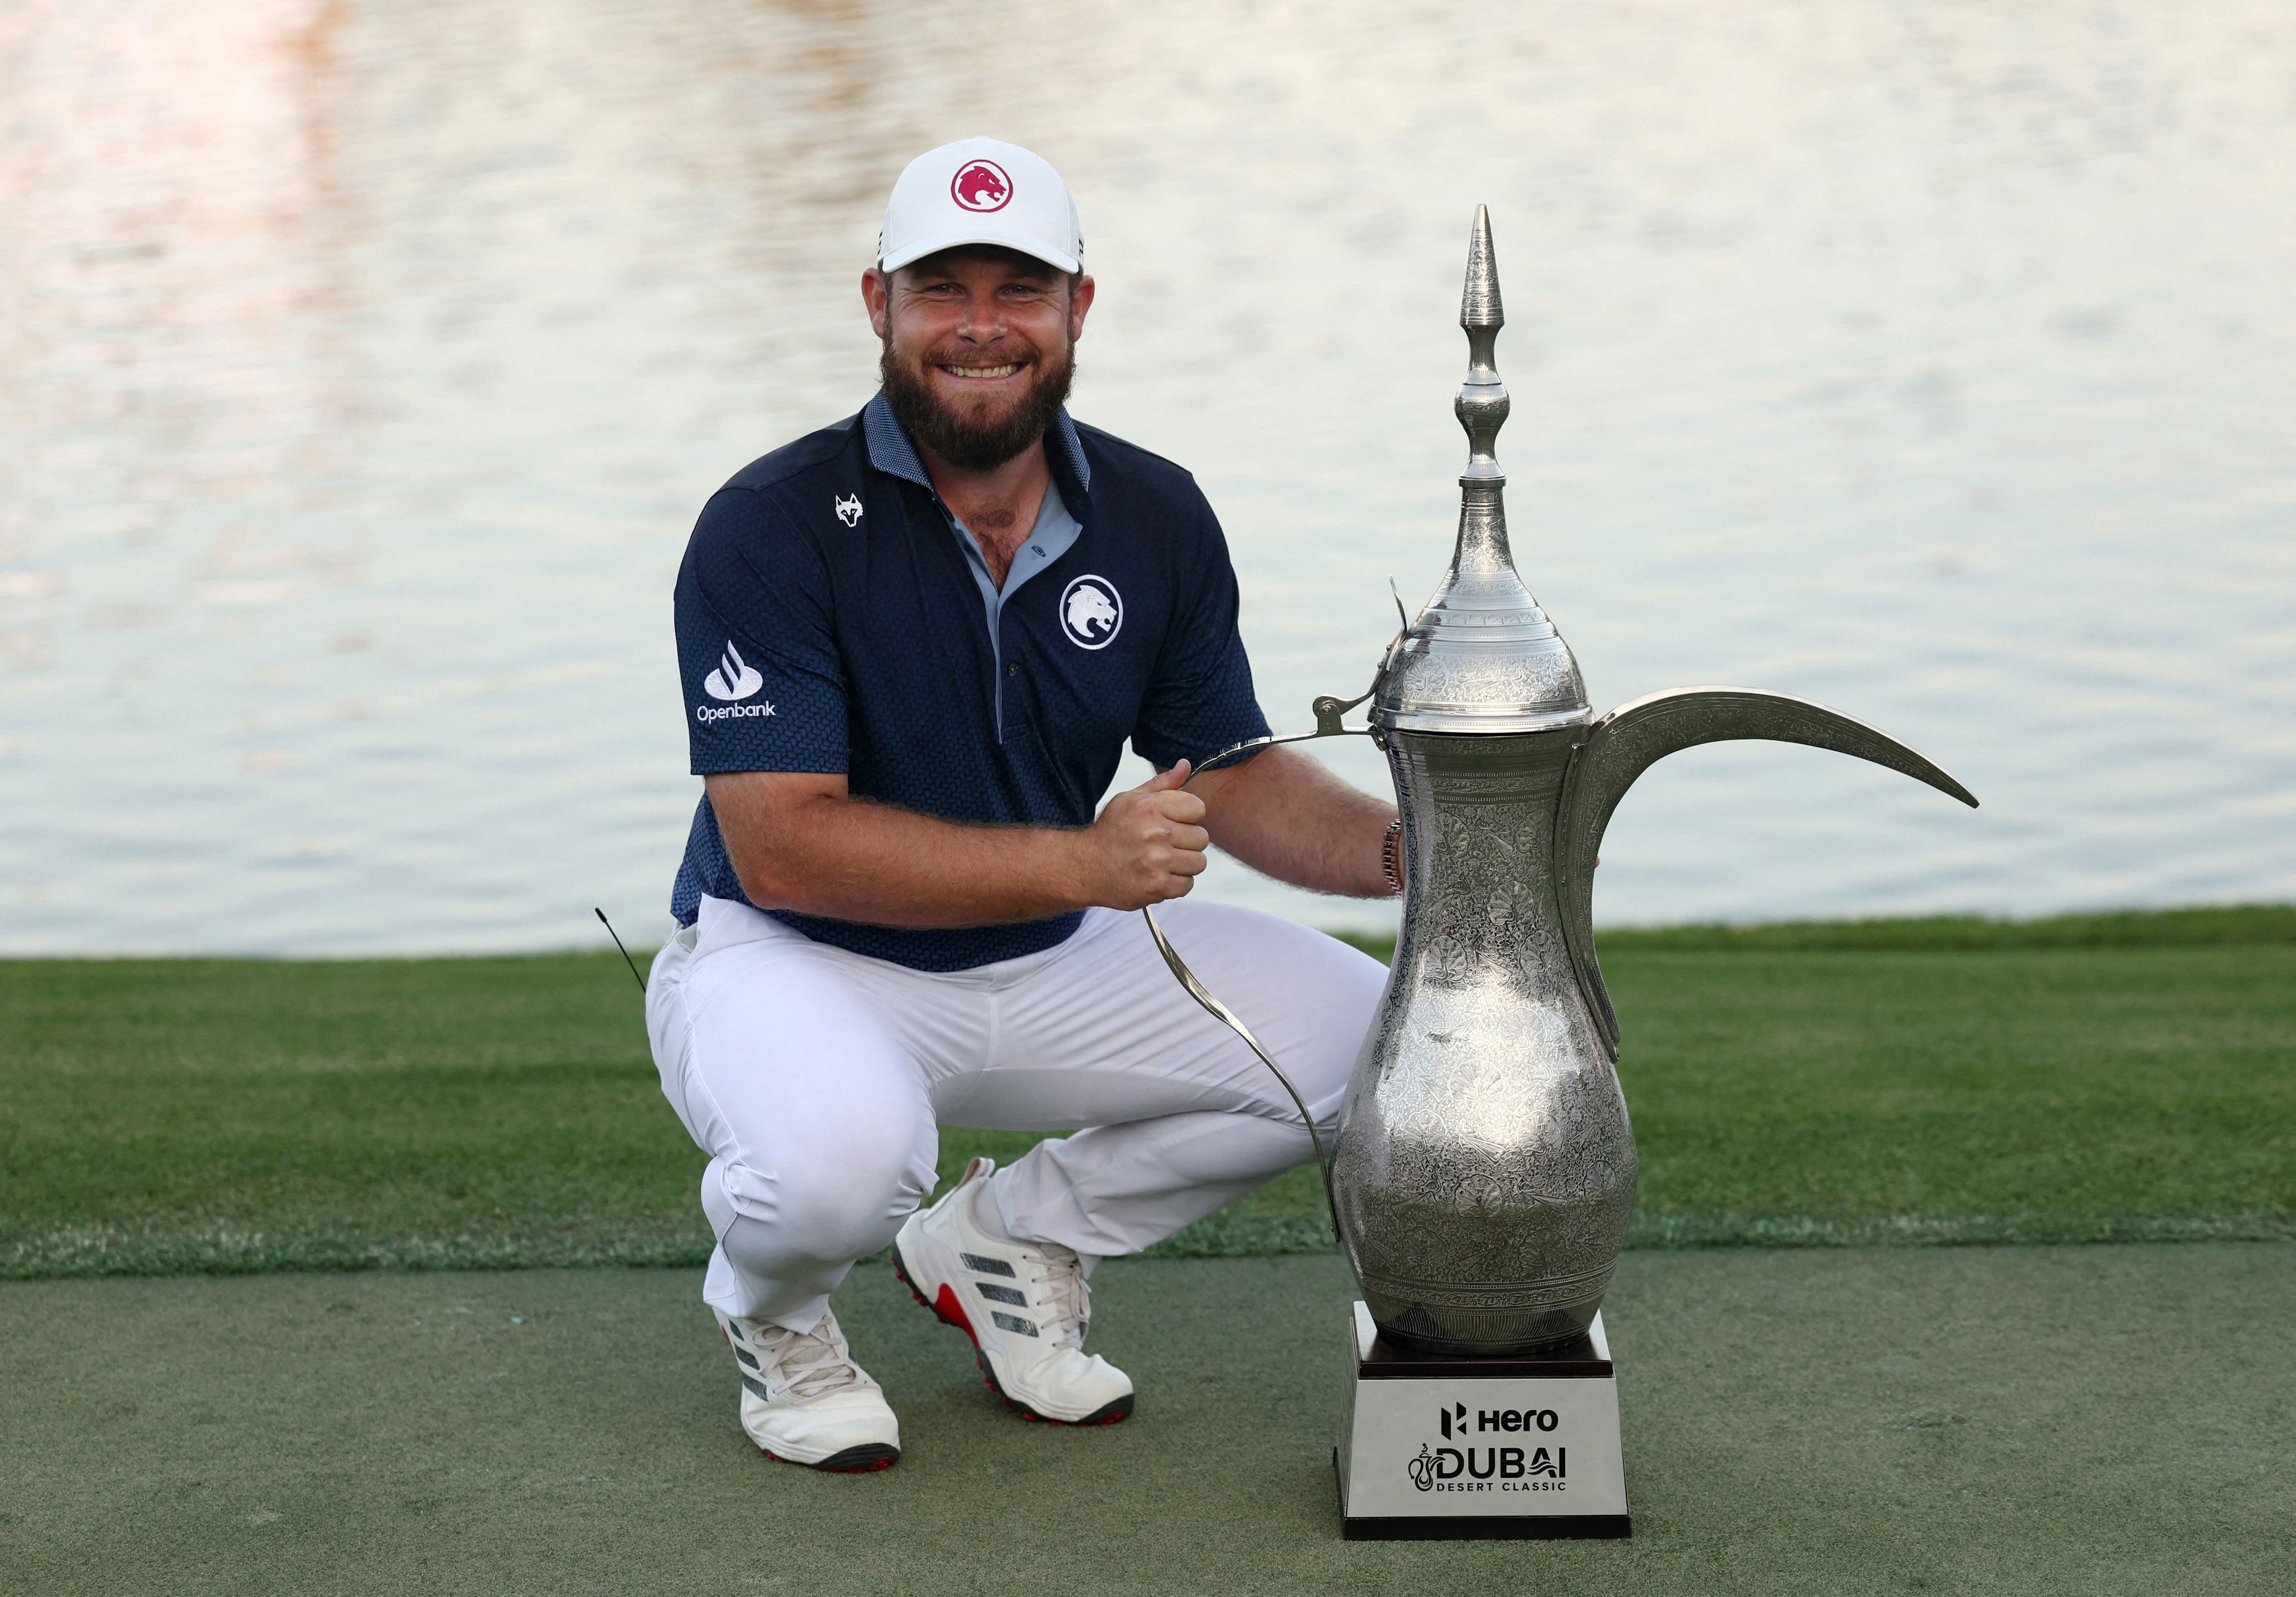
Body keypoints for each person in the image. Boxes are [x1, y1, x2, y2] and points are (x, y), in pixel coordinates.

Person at [644, 137, 1400, 1474]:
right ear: (878, 304)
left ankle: (1009, 1235)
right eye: (942, 288)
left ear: (1076, 312)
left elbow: (1229, 770)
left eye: (1020, 289)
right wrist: (1087, 862)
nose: (981, 327)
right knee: (842, 1167)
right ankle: (774, 1312)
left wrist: (1423, 853)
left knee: (1388, 1050)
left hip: (1051, 953)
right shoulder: (768, 523)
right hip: (792, 954)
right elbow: (784, 840)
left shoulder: (1156, 512)